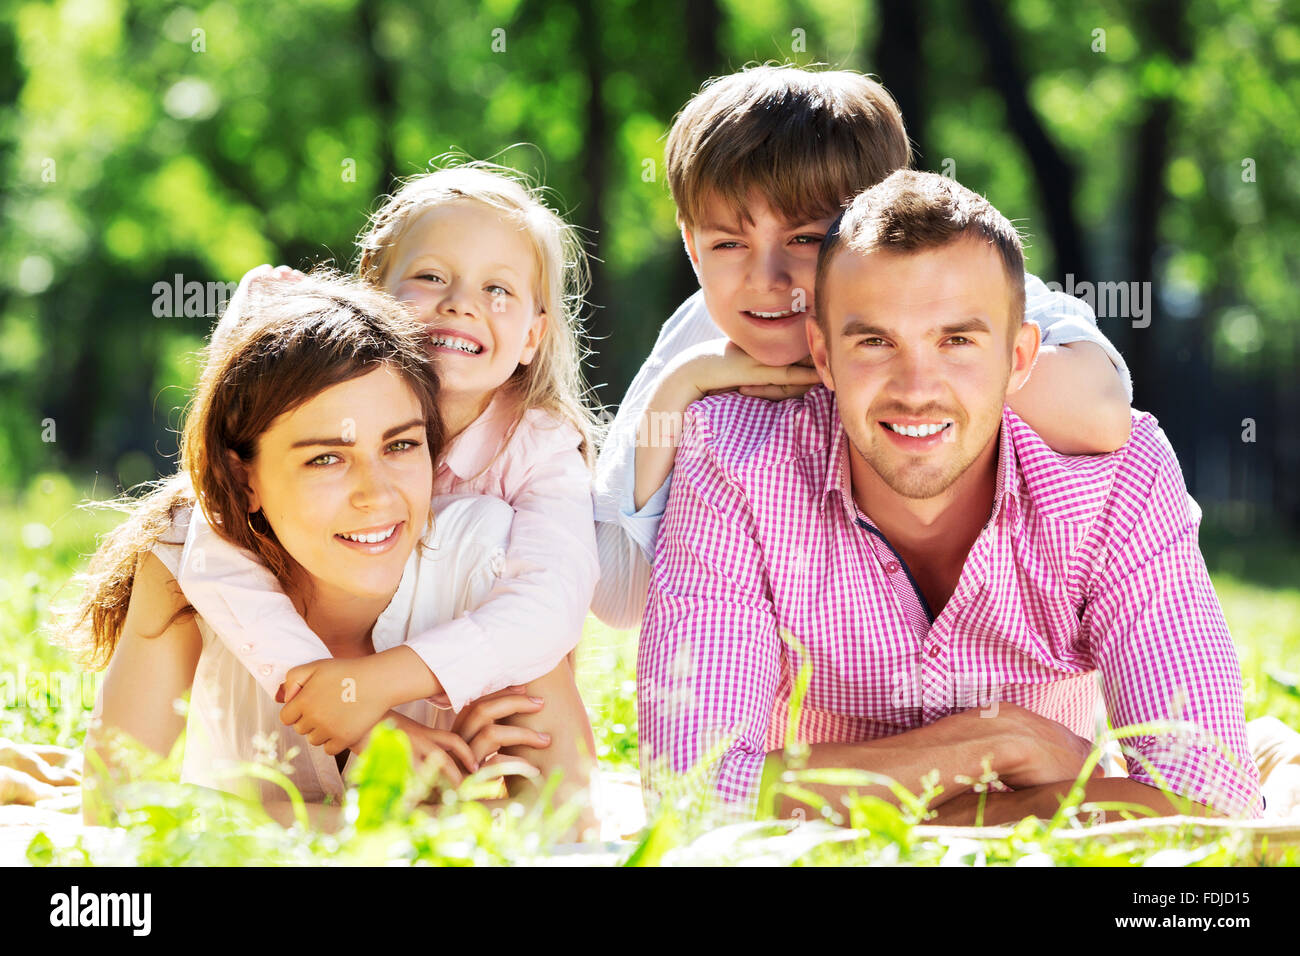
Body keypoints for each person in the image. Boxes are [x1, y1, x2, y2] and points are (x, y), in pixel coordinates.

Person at [638, 170, 1262, 825]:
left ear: (1021, 357)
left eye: (956, 341)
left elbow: (1212, 799)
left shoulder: (1119, 481)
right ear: (821, 354)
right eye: (874, 341)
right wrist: (1002, 743)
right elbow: (690, 789)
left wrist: (916, 815)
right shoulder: (734, 458)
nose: (916, 387)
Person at [591, 65, 1134, 630]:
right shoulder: (700, 333)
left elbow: (1102, 415)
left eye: (803, 238)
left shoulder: (969, 293)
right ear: (691, 244)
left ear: (879, 227)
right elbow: (616, 594)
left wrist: (907, 359)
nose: (766, 278)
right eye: (729, 242)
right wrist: (682, 384)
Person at [70, 274, 596, 833]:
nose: (377, 494)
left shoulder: (487, 560)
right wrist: (425, 817)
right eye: (326, 458)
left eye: (400, 445)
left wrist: (253, 817)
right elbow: (117, 808)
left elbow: (568, 822)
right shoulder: (181, 566)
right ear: (241, 476)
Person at [171, 164, 603, 755]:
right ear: (370, 291)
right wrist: (351, 705)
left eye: (497, 290)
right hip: (315, 705)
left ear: (532, 336)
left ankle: (542, 813)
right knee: (173, 526)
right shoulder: (316, 410)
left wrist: (379, 683)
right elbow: (215, 547)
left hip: (472, 705)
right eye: (430, 277)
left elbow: (550, 605)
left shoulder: (539, 449)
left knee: (488, 539)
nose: (460, 305)